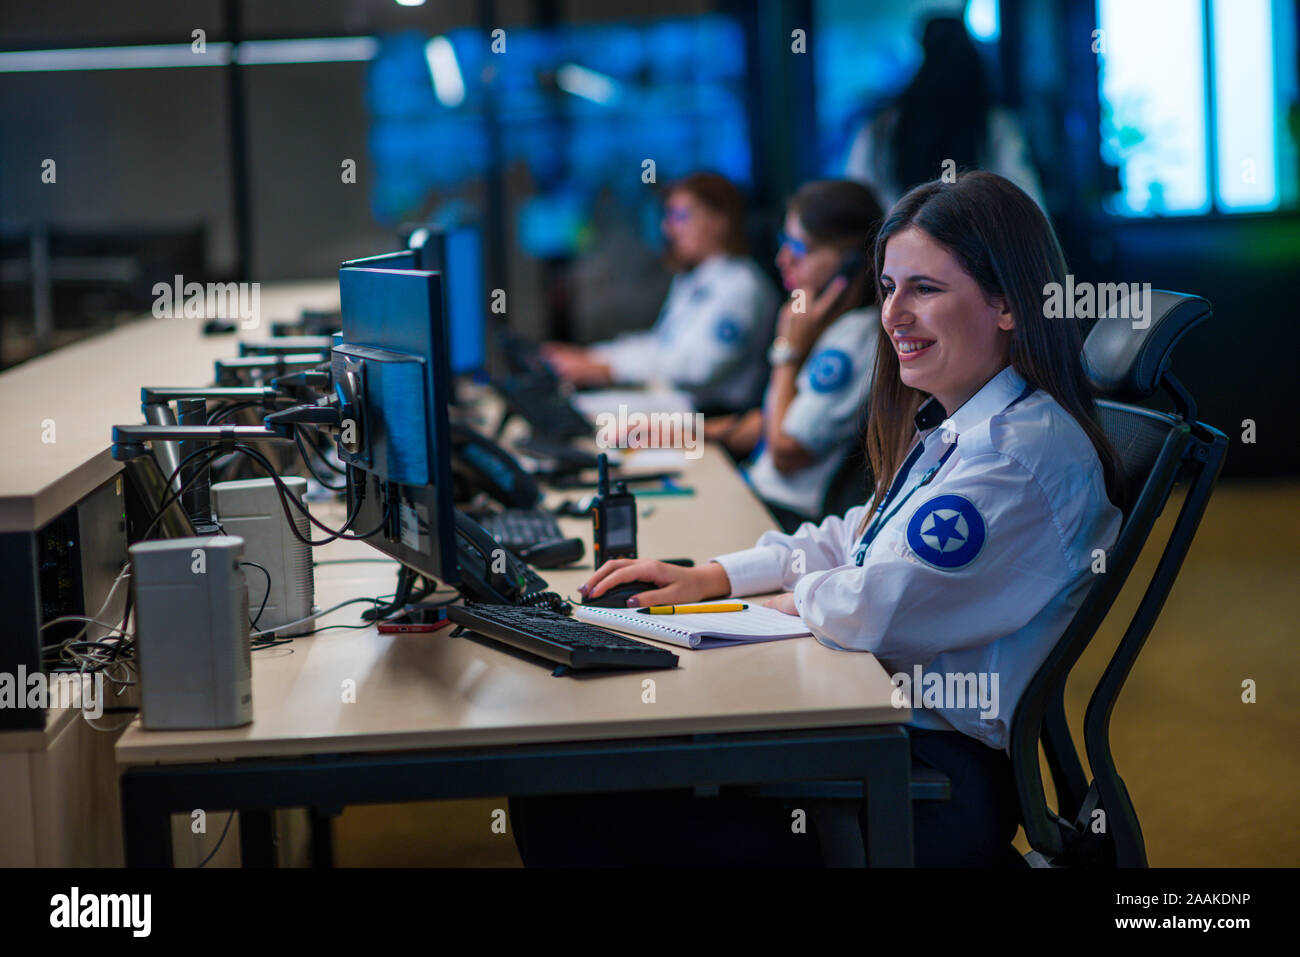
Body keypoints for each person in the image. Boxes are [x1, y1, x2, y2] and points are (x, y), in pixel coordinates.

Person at [511, 171, 1124, 867]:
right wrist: (710, 576)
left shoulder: (1017, 457)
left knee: (561, 797)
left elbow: (872, 606)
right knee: (582, 772)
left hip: (918, 786)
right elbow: (851, 538)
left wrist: (760, 604)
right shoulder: (961, 427)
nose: (893, 315)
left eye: (926, 288)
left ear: (1007, 303)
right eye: (890, 287)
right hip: (872, 738)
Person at [706, 180, 884, 532]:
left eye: (800, 247)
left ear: (850, 262)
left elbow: (786, 450)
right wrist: (681, 433)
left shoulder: (855, 339)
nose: (783, 259)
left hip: (784, 519)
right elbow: (774, 420)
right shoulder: (825, 324)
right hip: (758, 497)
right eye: (784, 243)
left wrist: (787, 353)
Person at [540, 172, 778, 415]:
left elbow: (698, 369)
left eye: (681, 216)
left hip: (711, 416)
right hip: (678, 401)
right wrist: (593, 357)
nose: (668, 228)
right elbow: (661, 345)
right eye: (669, 217)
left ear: (719, 221)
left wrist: (607, 369)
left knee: (582, 410)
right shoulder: (694, 279)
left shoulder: (741, 287)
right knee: (575, 407)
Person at [844, 16, 1045, 211]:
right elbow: (1026, 200)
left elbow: (856, 198)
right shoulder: (995, 125)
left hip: (897, 239)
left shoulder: (883, 126)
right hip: (973, 242)